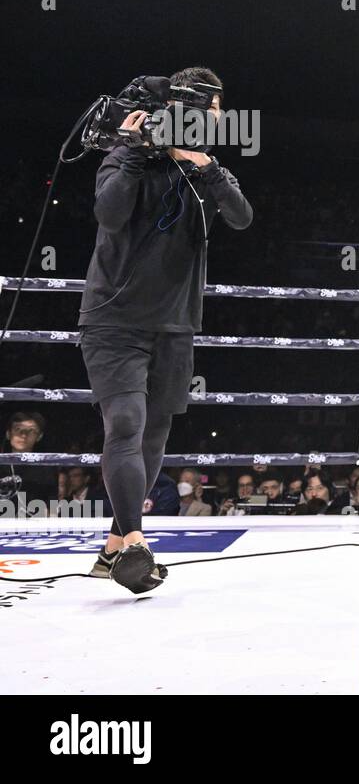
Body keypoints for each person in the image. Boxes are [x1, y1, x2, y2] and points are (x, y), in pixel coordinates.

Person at [78, 66, 253, 592]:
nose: (216, 119)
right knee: (125, 423)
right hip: (114, 320)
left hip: (175, 324)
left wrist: (207, 166)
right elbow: (110, 215)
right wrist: (134, 150)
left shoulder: (205, 172)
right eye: (209, 110)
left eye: (218, 112)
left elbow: (242, 217)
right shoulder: (124, 154)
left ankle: (114, 547)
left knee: (153, 433)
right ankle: (135, 543)